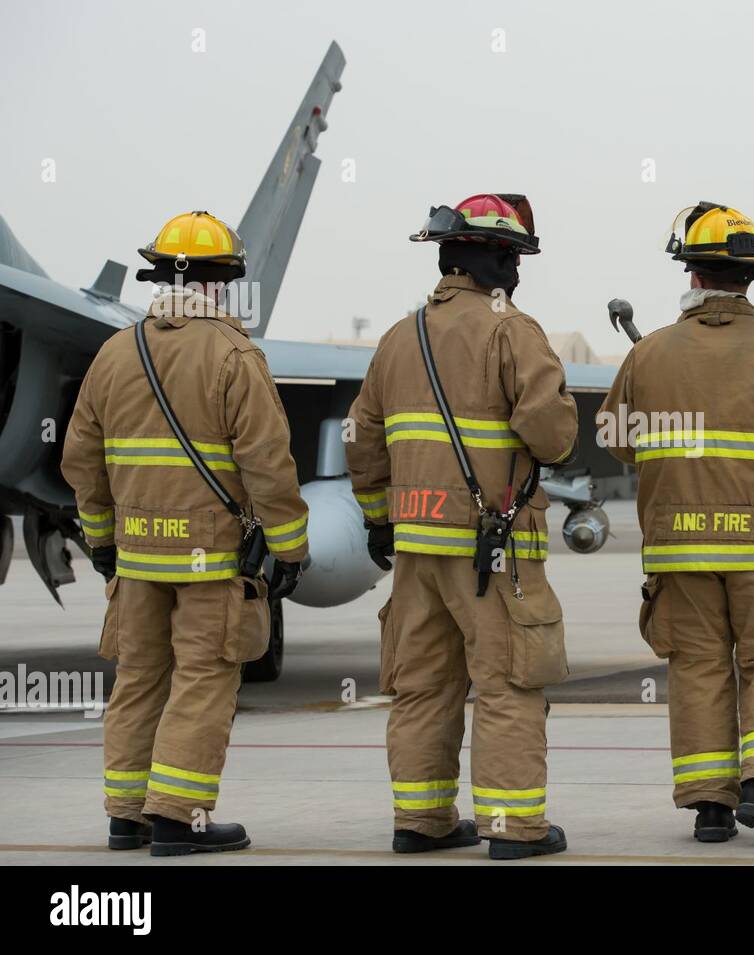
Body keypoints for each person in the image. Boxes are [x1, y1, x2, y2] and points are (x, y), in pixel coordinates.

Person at [62, 210, 308, 856]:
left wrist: (102, 539)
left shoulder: (115, 352)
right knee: (203, 678)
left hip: (137, 559)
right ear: (221, 282)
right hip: (210, 560)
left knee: (139, 678)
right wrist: (289, 548)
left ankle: (127, 815)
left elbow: (79, 456)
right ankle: (178, 816)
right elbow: (268, 462)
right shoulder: (234, 354)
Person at [347, 194, 577, 860]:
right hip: (491, 550)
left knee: (422, 684)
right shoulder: (513, 330)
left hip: (417, 547)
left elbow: (360, 439)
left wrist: (378, 520)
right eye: (513, 257)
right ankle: (513, 826)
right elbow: (554, 435)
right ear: (498, 259)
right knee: (508, 683)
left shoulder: (399, 336)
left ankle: (422, 821)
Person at [599, 202, 754, 843]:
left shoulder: (647, 355)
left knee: (699, 666)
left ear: (692, 274)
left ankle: (711, 809)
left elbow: (618, 443)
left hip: (679, 549)